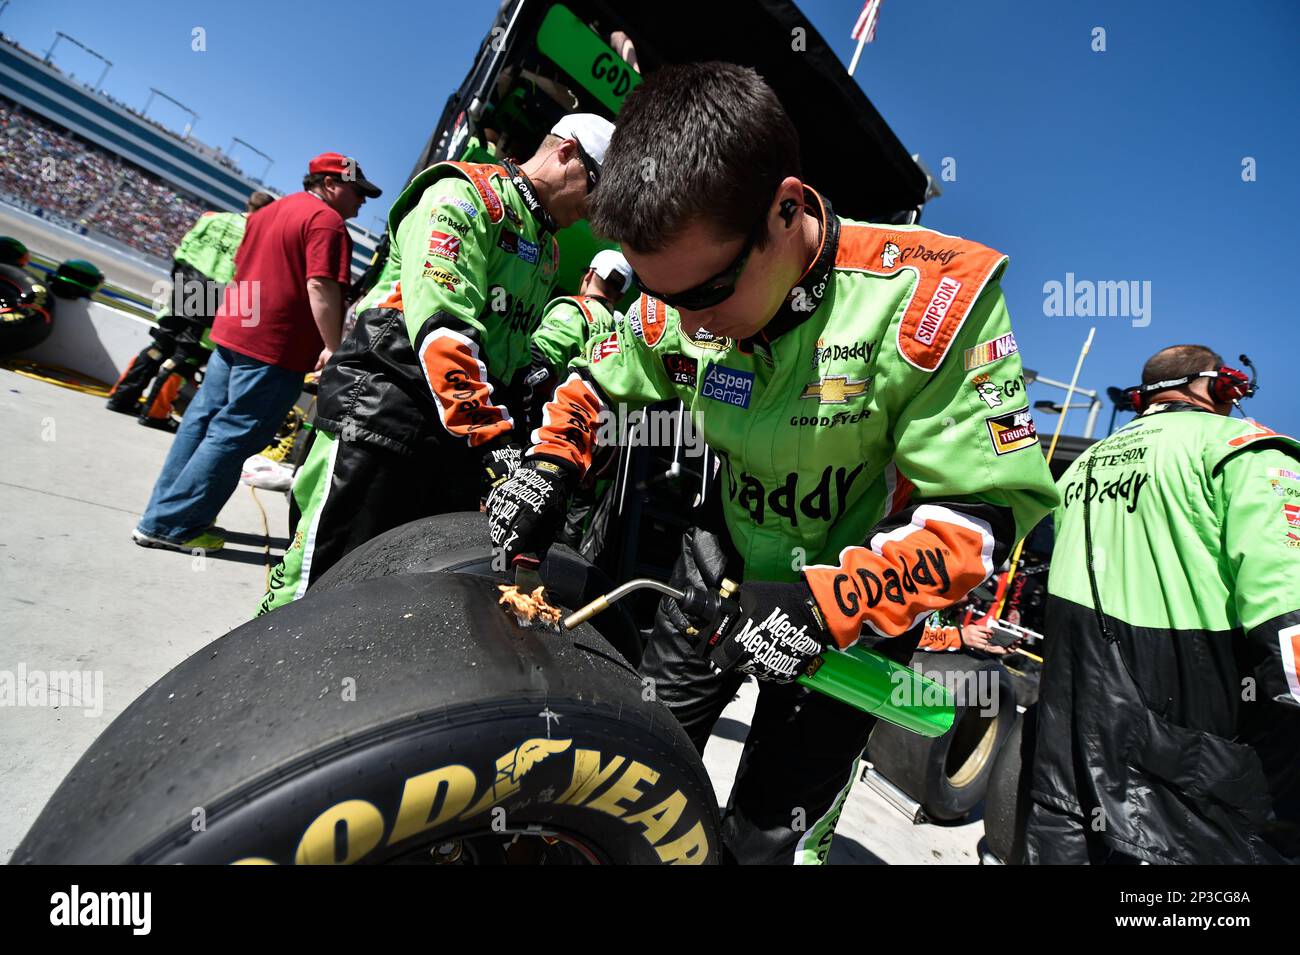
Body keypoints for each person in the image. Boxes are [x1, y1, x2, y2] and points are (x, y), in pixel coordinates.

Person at [486, 63, 1058, 864]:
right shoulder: (676, 290)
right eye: (667, 296)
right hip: (713, 572)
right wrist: (546, 467)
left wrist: (827, 607)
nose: (692, 320)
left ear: (786, 207)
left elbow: (980, 519)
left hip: (851, 613)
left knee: (761, 840)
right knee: (624, 778)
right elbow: (600, 383)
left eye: (711, 289)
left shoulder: (930, 297)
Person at [256, 115, 614, 615]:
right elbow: (445, 328)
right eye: (598, 188)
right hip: (384, 416)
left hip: (453, 442)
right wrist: (497, 444)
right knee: (318, 587)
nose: (595, 211)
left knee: (393, 595)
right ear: (567, 153)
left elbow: (507, 350)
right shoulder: (461, 194)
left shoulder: (548, 248)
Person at [1026, 345, 1300, 864]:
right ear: (1219, 387)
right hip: (1194, 766)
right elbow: (1288, 608)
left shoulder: (1081, 465)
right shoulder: (1242, 448)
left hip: (1071, 743)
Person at [132, 153, 379, 552]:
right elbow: (320, 287)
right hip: (274, 348)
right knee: (233, 434)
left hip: (232, 334)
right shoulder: (326, 222)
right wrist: (333, 348)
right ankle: (172, 525)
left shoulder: (269, 211)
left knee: (201, 422)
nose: (363, 202)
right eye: (358, 192)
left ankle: (165, 514)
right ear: (332, 184)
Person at [107, 191, 275, 428]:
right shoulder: (260, 235)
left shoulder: (211, 218)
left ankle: (121, 398)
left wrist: (181, 284)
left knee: (159, 345)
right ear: (269, 213)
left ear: (247, 202)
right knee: (186, 356)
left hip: (186, 285)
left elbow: (182, 251)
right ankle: (154, 413)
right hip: (214, 294)